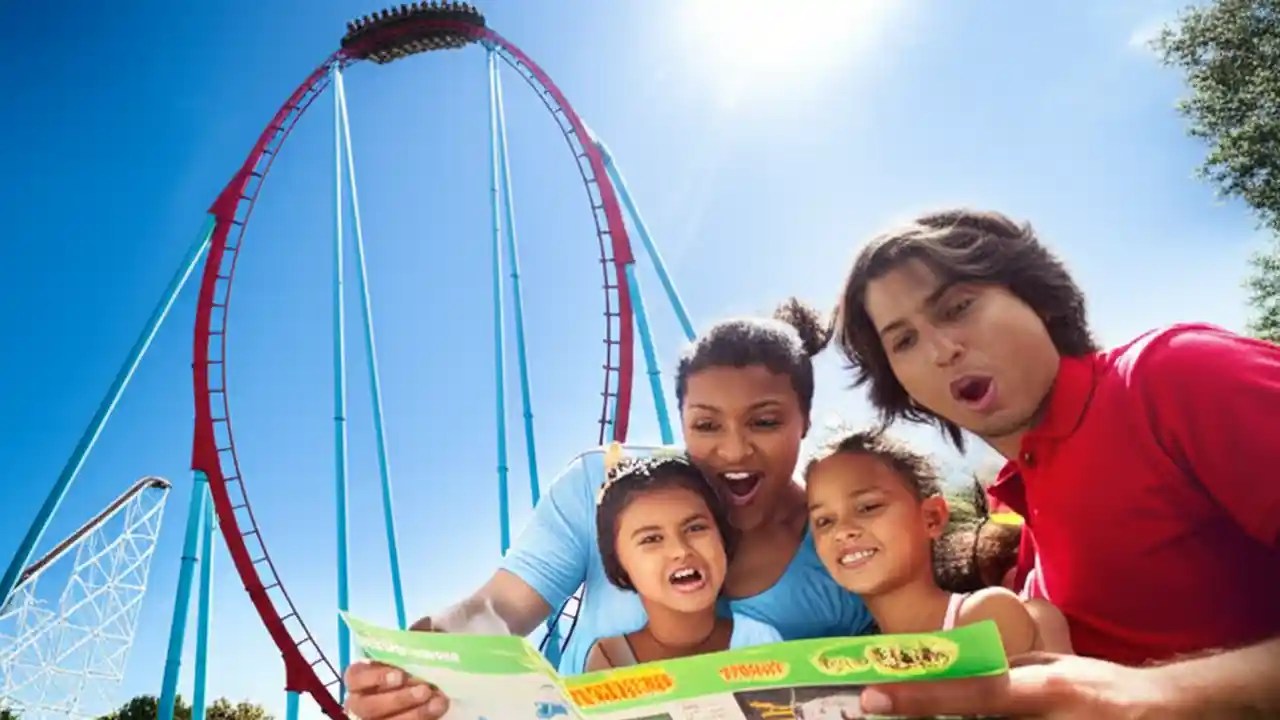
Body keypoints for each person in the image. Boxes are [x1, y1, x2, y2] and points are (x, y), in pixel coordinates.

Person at [828, 207, 1280, 718]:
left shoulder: (1175, 376)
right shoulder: (1018, 512)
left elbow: (1114, 698)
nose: (941, 350)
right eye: (904, 341)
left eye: (958, 307)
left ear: (1036, 298)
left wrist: (1158, 696)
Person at [342, 299, 874, 720]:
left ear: (804, 418)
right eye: (706, 426)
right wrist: (412, 666)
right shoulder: (605, 488)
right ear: (682, 420)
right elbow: (499, 609)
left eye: (764, 422)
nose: (733, 452)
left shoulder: (846, 546)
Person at [804, 426, 1071, 656]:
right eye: (824, 521)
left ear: (931, 518)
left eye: (868, 507)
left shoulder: (986, 618)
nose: (843, 531)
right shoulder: (851, 662)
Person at [584, 451, 781, 671]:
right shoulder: (612, 658)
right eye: (651, 539)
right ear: (619, 563)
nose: (680, 550)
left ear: (722, 538)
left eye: (695, 528)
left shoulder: (759, 642)